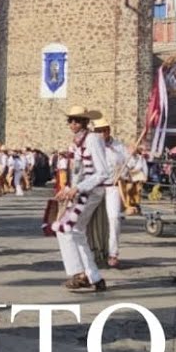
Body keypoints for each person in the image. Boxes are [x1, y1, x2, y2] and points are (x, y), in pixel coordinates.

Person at [48, 105, 109, 293]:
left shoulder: (92, 140)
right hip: (81, 191)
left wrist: (78, 188)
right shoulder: (76, 142)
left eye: (77, 121)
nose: (73, 124)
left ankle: (79, 274)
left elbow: (102, 172)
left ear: (84, 122)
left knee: (64, 229)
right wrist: (66, 189)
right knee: (76, 233)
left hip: (90, 192)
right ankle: (94, 277)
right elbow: (77, 173)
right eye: (70, 120)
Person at [94, 117, 129, 268]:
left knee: (114, 218)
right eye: (98, 131)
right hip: (94, 186)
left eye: (104, 130)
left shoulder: (119, 146)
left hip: (112, 186)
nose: (102, 133)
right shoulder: (91, 145)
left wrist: (124, 172)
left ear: (109, 130)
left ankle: (113, 253)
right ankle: (91, 249)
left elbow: (129, 165)